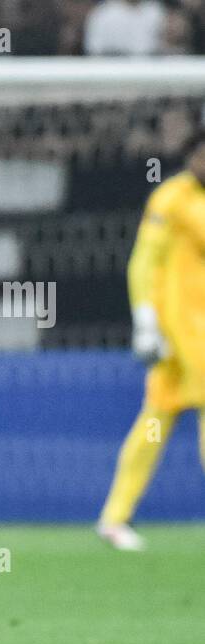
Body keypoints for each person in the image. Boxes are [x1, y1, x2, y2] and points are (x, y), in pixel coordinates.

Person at [98, 129, 205, 550]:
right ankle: (114, 517)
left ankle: (113, 518)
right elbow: (143, 260)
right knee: (158, 418)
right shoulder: (171, 199)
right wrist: (144, 319)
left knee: (156, 419)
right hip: (178, 332)